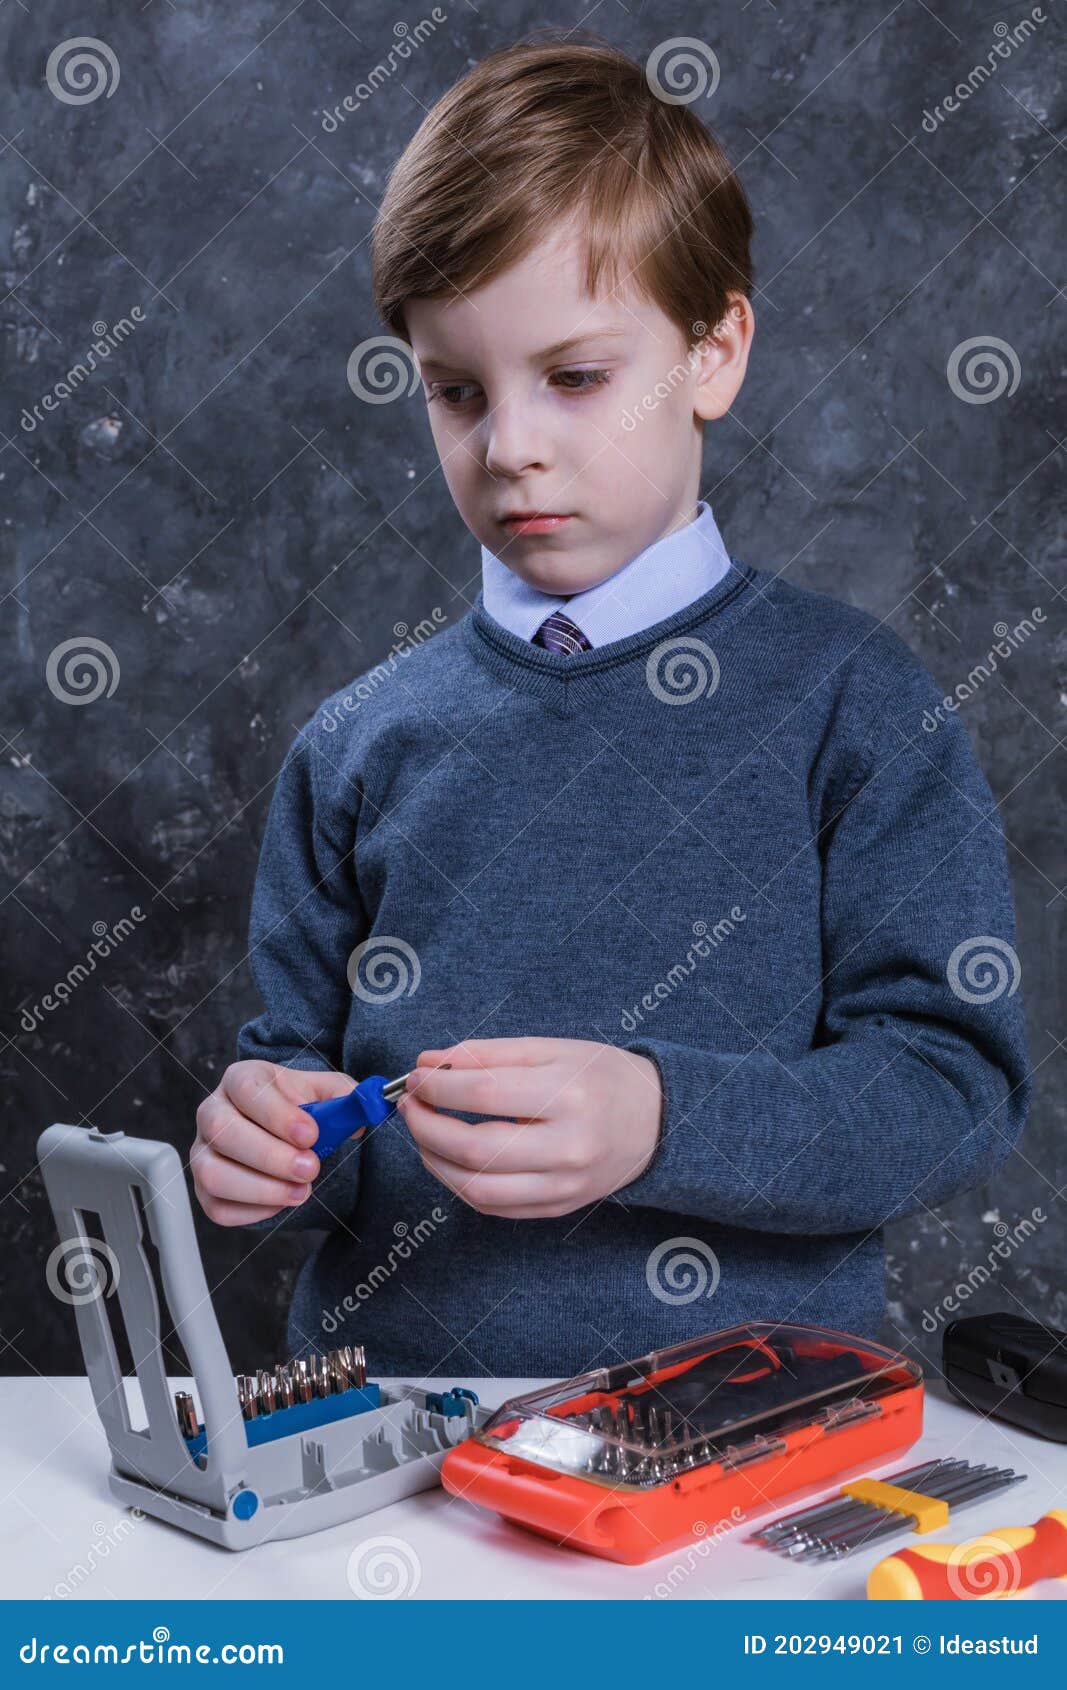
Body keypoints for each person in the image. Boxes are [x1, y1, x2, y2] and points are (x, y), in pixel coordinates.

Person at [191, 36, 1031, 1378]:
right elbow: (312, 1097)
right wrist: (270, 1138)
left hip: (751, 1453)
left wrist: (659, 1117)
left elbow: (950, 1089)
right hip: (398, 1447)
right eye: (455, 391)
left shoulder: (857, 706)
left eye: (573, 376)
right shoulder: (354, 747)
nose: (509, 443)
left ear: (716, 352)